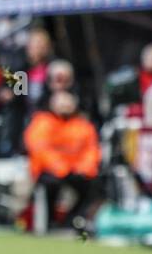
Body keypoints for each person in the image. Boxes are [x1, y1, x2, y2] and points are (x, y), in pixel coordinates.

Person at [23, 91, 102, 231]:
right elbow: (39, 148)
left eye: (68, 103)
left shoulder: (83, 125)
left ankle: (72, 220)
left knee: (94, 185)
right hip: (50, 170)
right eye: (61, 103)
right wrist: (60, 167)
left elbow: (91, 150)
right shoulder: (42, 122)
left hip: (75, 169)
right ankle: (50, 222)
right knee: (51, 184)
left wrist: (84, 168)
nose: (65, 106)